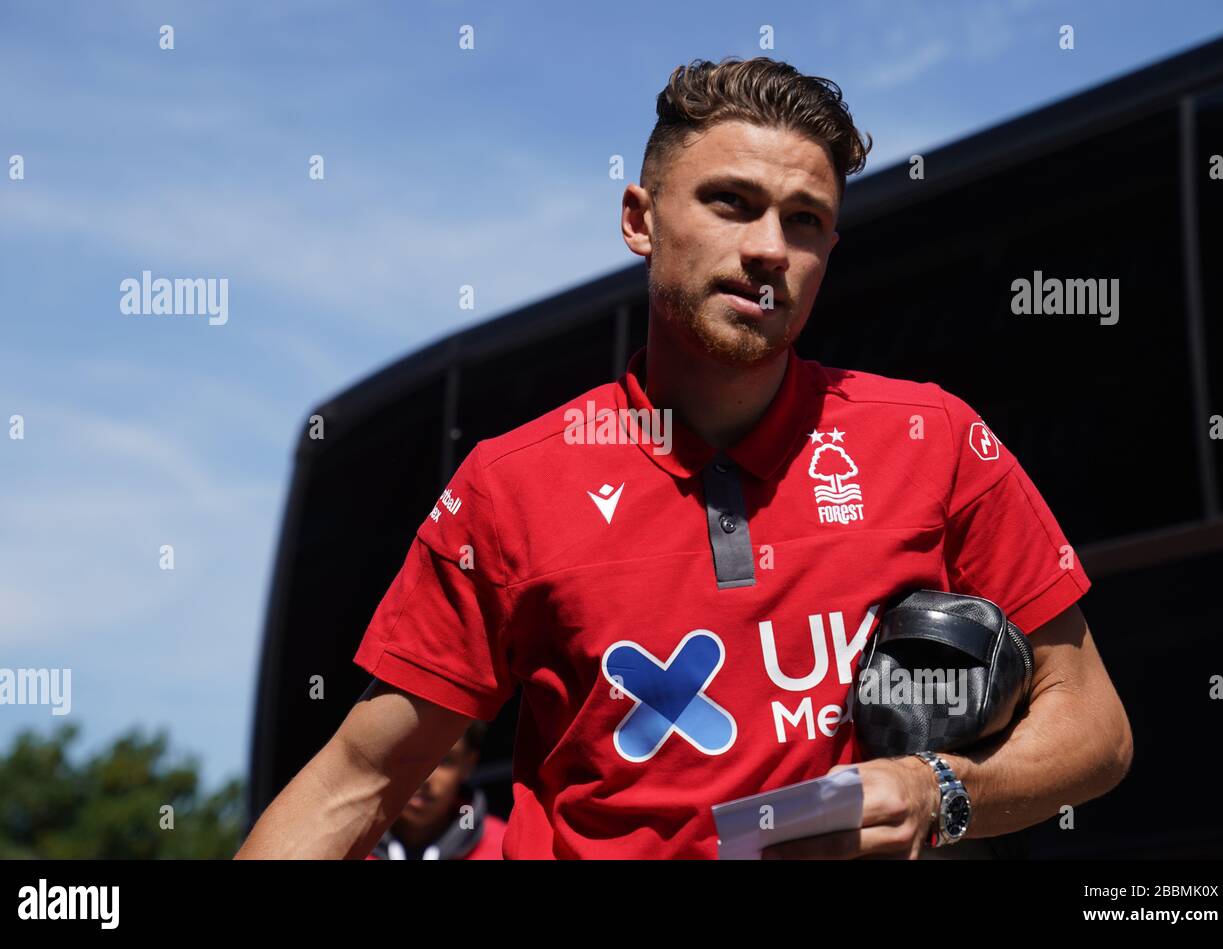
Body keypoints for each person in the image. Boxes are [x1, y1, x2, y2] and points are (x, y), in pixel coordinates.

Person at [237, 55, 1132, 861]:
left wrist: (937, 790)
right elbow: (352, 785)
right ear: (640, 220)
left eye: (806, 220)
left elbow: (1096, 725)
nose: (768, 249)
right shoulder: (508, 487)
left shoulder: (932, 438)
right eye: (731, 202)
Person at [365, 721, 505, 860]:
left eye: (444, 761)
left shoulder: (505, 850)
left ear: (469, 764)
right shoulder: (346, 843)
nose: (424, 778)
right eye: (408, 756)